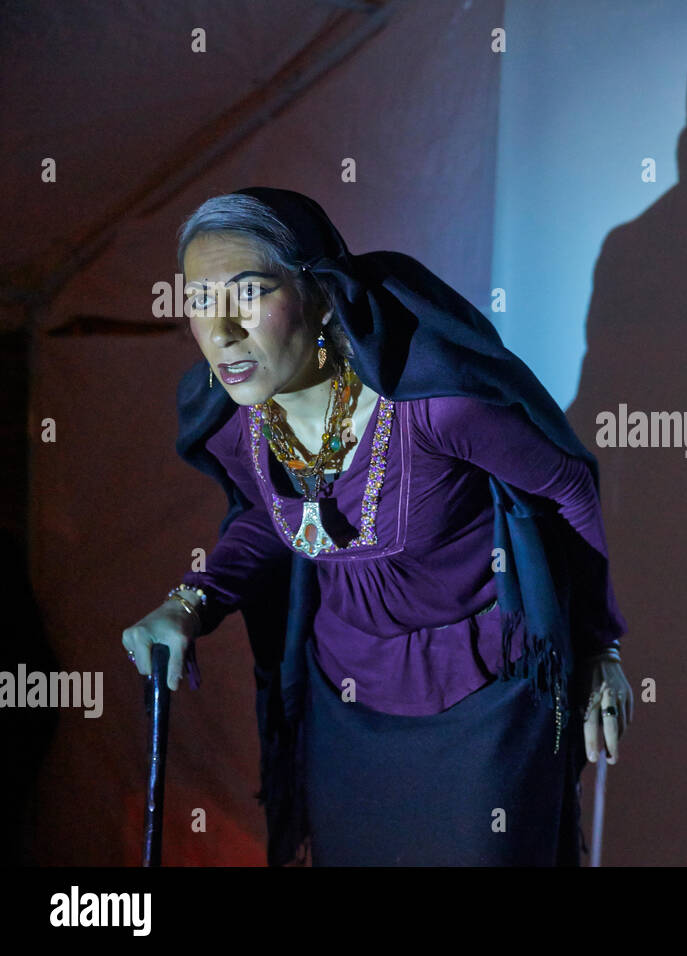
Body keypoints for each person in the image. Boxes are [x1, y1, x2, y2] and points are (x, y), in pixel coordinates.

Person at [120, 187, 632, 866]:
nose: (222, 334)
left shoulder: (433, 407)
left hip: (484, 693)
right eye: (199, 303)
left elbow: (566, 483)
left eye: (248, 296)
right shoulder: (237, 425)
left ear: (322, 295)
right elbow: (274, 527)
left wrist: (599, 649)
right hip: (347, 699)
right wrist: (190, 603)